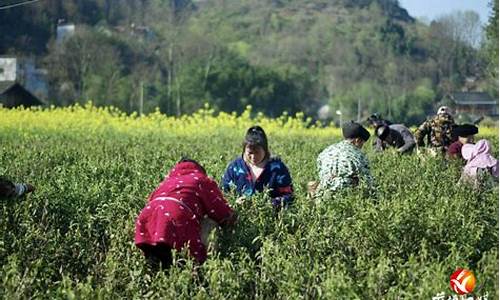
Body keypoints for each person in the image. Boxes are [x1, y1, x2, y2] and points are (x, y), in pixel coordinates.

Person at [134, 159, 236, 268]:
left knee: (156, 258)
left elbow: (151, 199)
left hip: (148, 214)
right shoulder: (201, 179)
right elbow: (219, 210)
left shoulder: (166, 182)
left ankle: (156, 266)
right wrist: (231, 220)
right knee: (188, 262)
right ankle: (197, 272)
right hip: (177, 213)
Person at [221, 126, 293, 208]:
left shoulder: (277, 168)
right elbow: (223, 193)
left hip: (271, 217)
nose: (253, 156)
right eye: (250, 153)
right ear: (244, 150)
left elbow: (289, 196)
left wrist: (268, 204)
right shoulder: (234, 167)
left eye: (257, 152)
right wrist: (235, 203)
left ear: (265, 150)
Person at [311, 121, 374, 196]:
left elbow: (320, 173)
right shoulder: (359, 155)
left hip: (323, 195)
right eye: (362, 143)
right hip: (345, 196)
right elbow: (368, 182)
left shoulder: (326, 151)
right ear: (357, 140)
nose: (362, 146)